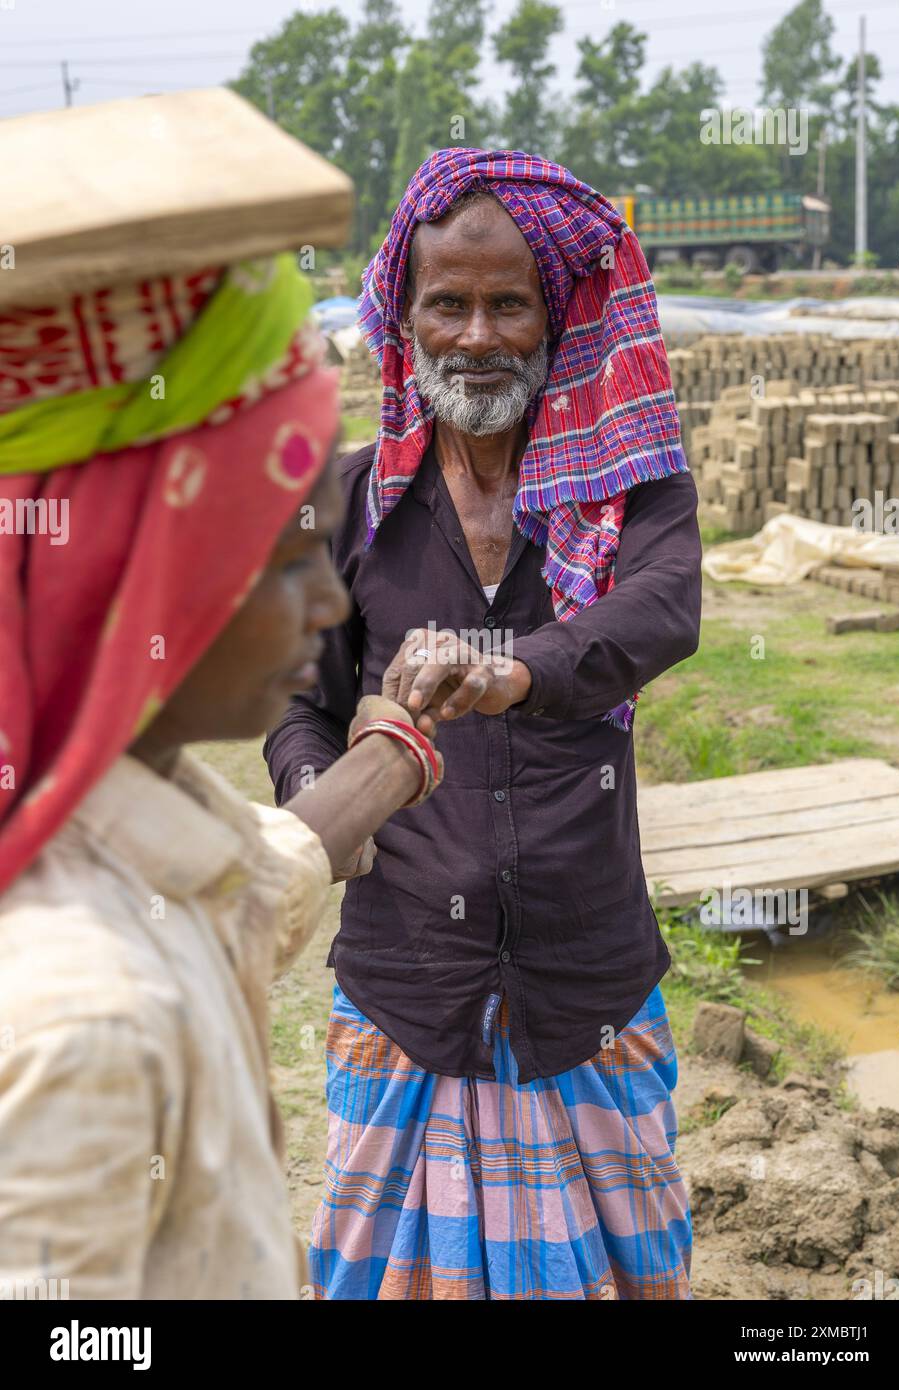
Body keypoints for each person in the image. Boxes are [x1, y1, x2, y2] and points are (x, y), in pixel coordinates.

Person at [265, 149, 703, 1301]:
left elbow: (661, 614)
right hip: (409, 985)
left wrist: (511, 668)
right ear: (402, 324)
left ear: (555, 321)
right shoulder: (346, 502)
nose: (475, 334)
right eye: (446, 304)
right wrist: (326, 806)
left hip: (587, 985)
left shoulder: (630, 489)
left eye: (507, 303)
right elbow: (296, 704)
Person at [0, 242, 445, 1299]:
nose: (332, 605)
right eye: (292, 560)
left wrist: (396, 753)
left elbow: (261, 876)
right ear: (129, 564)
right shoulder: (92, 1021)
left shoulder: (117, 828)